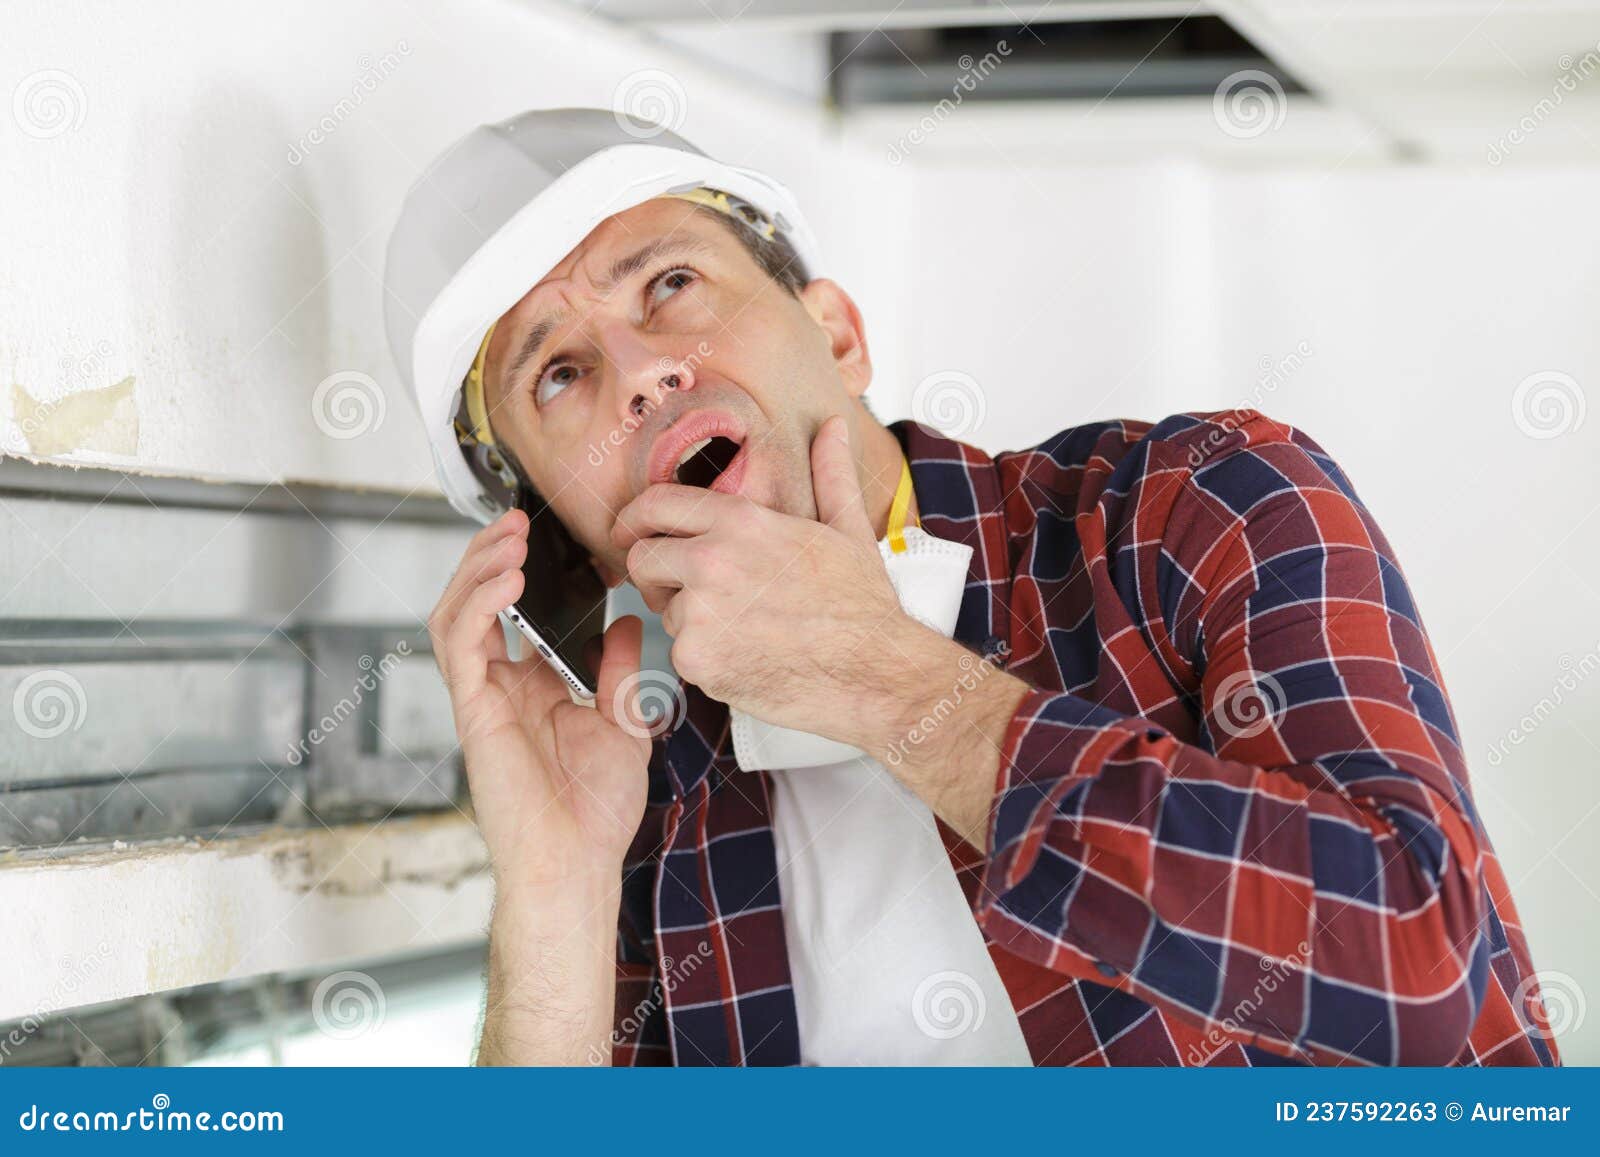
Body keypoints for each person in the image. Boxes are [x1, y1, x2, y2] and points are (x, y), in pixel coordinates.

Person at [383, 108, 1557, 1067]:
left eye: (670, 284)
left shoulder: (1195, 505)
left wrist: (881, 679)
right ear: (579, 540)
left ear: (837, 336)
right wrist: (556, 894)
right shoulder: (648, 787)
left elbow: (1421, 974)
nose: (642, 374)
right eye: (560, 375)